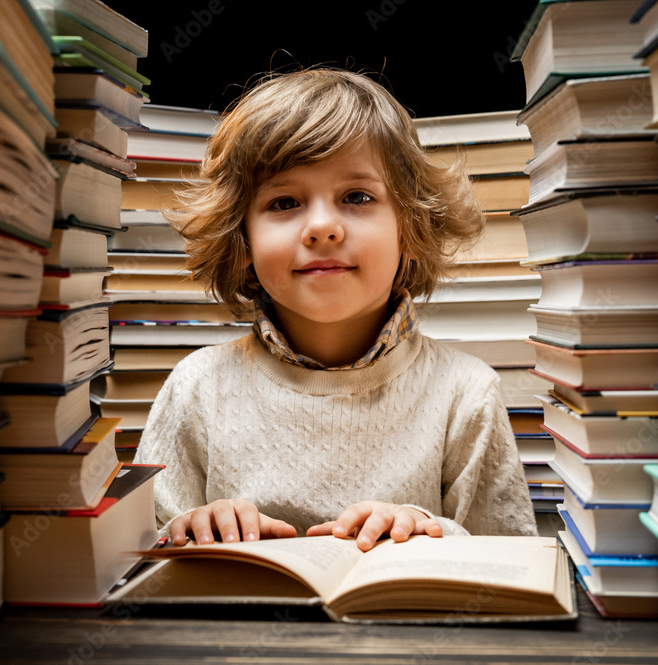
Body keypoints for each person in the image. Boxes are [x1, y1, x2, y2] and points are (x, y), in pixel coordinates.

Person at [134, 68, 537, 551]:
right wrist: (189, 529)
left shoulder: (466, 395)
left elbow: (512, 563)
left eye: (357, 197)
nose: (322, 227)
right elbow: (133, 557)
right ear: (241, 240)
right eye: (284, 202)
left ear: (409, 230)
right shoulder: (195, 387)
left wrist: (432, 530)